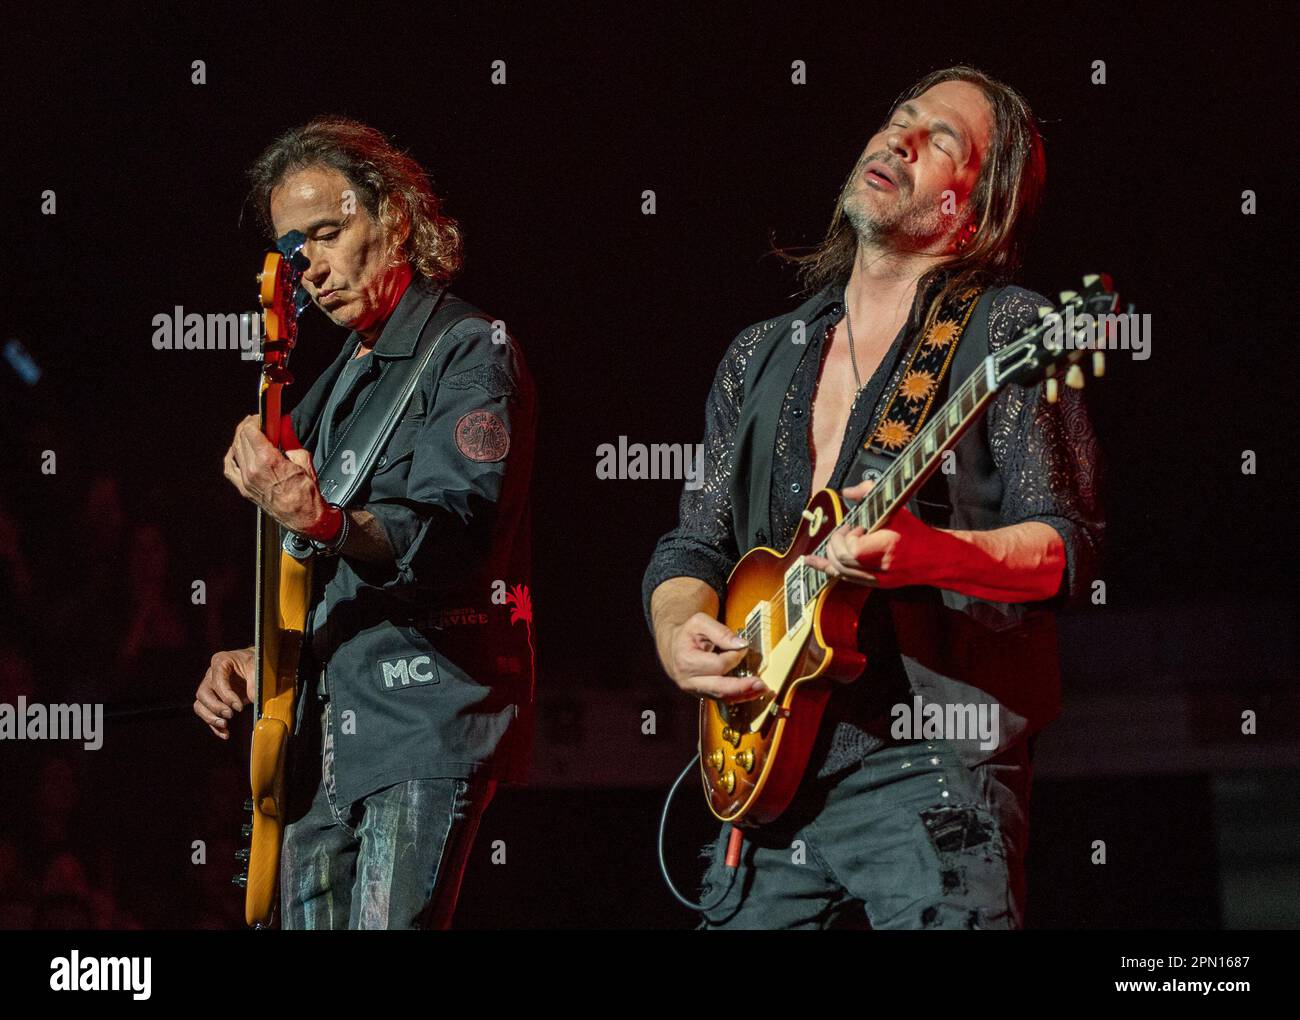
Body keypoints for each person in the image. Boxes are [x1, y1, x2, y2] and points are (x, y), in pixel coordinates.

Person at [643, 66, 1103, 929]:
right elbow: (694, 547)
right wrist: (676, 633)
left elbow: (1063, 543)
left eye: (940, 142)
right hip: (769, 777)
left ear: (972, 209)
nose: (901, 139)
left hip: (931, 761)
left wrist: (937, 555)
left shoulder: (1007, 329)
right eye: (900, 119)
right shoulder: (759, 355)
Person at [193, 117, 536, 929]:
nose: (307, 264)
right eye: (291, 247)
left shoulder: (467, 350)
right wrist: (261, 650)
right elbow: (318, 570)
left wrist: (318, 518)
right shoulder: (338, 381)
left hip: (420, 728)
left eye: (327, 232)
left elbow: (455, 534)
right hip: (321, 742)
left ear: (395, 219)